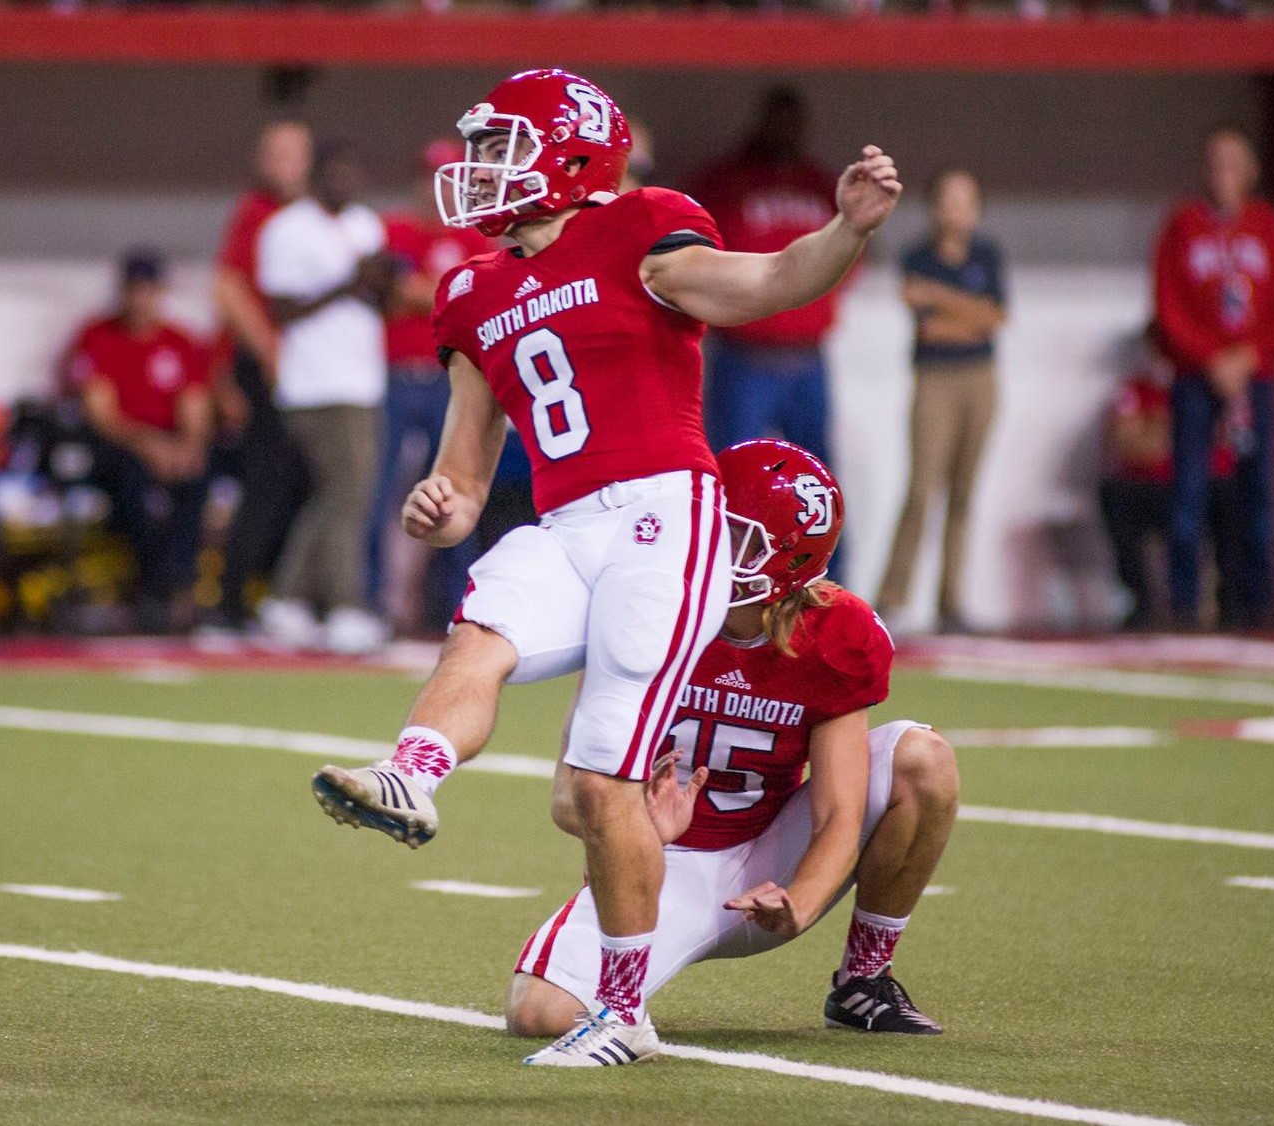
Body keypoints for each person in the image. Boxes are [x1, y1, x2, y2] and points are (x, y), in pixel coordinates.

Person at [310, 69, 900, 1067]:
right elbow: (462, 470)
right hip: (565, 519)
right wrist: (442, 505)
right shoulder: (471, 288)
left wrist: (842, 234)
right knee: (482, 622)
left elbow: (759, 285)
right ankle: (413, 774)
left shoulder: (639, 229)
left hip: (662, 515)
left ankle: (621, 1010)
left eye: (501, 146)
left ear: (569, 152)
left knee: (601, 779)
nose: (479, 168)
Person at [506, 440, 957, 1043]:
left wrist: (802, 898)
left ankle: (863, 980)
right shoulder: (643, 604)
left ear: (788, 561)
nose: (708, 545)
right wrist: (633, 823)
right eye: (709, 525)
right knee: (539, 1015)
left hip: (769, 853)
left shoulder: (835, 632)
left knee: (920, 758)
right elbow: (567, 797)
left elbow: (839, 813)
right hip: (656, 865)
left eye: (734, 537)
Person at [1151, 127, 1274, 630]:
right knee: (1188, 486)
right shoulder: (1183, 226)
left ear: (1252, 171)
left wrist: (1249, 356)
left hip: (1254, 377)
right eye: (1215, 163)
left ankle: (1259, 602)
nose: (1223, 174)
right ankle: (1185, 605)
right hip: (1198, 375)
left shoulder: (1269, 228)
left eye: (1234, 163)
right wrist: (1210, 357)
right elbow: (1167, 304)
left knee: (1258, 488)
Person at [254, 142, 392, 654]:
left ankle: (288, 600)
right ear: (314, 177)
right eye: (334, 174)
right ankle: (342, 606)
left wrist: (381, 282)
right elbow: (282, 308)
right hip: (315, 383)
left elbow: (378, 299)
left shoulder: (365, 224)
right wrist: (349, 282)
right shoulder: (288, 228)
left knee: (341, 494)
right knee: (349, 494)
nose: (345, 184)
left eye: (352, 174)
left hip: (363, 377)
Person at [689, 87, 848, 494]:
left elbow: (848, 254)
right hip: (745, 357)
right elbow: (695, 254)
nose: (786, 130)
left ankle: (829, 561)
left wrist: (815, 306)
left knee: (819, 482)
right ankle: (719, 557)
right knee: (732, 472)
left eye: (794, 122)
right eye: (778, 120)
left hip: (807, 357)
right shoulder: (724, 182)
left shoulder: (821, 184)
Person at [374, 140, 496, 633]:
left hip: (451, 378)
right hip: (395, 375)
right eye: (429, 176)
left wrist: (422, 292)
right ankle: (374, 604)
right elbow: (390, 294)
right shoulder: (395, 230)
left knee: (455, 490)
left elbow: (470, 301)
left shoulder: (474, 235)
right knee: (381, 493)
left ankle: (451, 603)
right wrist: (436, 290)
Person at [875, 168, 1005, 633]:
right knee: (922, 487)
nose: (957, 210)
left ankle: (952, 600)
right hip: (934, 377)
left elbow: (996, 317)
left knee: (964, 491)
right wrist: (967, 313)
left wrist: (943, 301)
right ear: (935, 206)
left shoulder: (988, 255)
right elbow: (929, 325)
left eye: (966, 200)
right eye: (949, 199)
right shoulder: (918, 255)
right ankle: (892, 595)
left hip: (980, 378)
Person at [201, 118, 313, 634]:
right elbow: (229, 290)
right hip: (267, 369)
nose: (286, 164)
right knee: (265, 487)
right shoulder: (257, 214)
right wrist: (265, 356)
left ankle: (272, 597)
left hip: (303, 370)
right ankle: (230, 605)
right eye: (277, 153)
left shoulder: (305, 218)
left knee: (297, 488)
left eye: (294, 154)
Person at [64, 249, 214, 634]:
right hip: (122, 448)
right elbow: (102, 414)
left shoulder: (180, 341)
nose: (140, 298)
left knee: (196, 481)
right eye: (133, 289)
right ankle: (153, 588)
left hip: (169, 445)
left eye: (148, 289)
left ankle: (176, 587)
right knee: (131, 485)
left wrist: (188, 447)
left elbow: (194, 409)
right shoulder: (98, 336)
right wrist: (152, 447)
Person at [1099, 331, 1238, 631]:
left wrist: (1157, 428)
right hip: (1151, 491)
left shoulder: (1205, 390)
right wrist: (1182, 432)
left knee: (1234, 496)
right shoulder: (1136, 389)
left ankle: (1232, 602)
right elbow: (1128, 445)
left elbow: (1226, 447)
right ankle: (1147, 602)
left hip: (1204, 489)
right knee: (1113, 495)